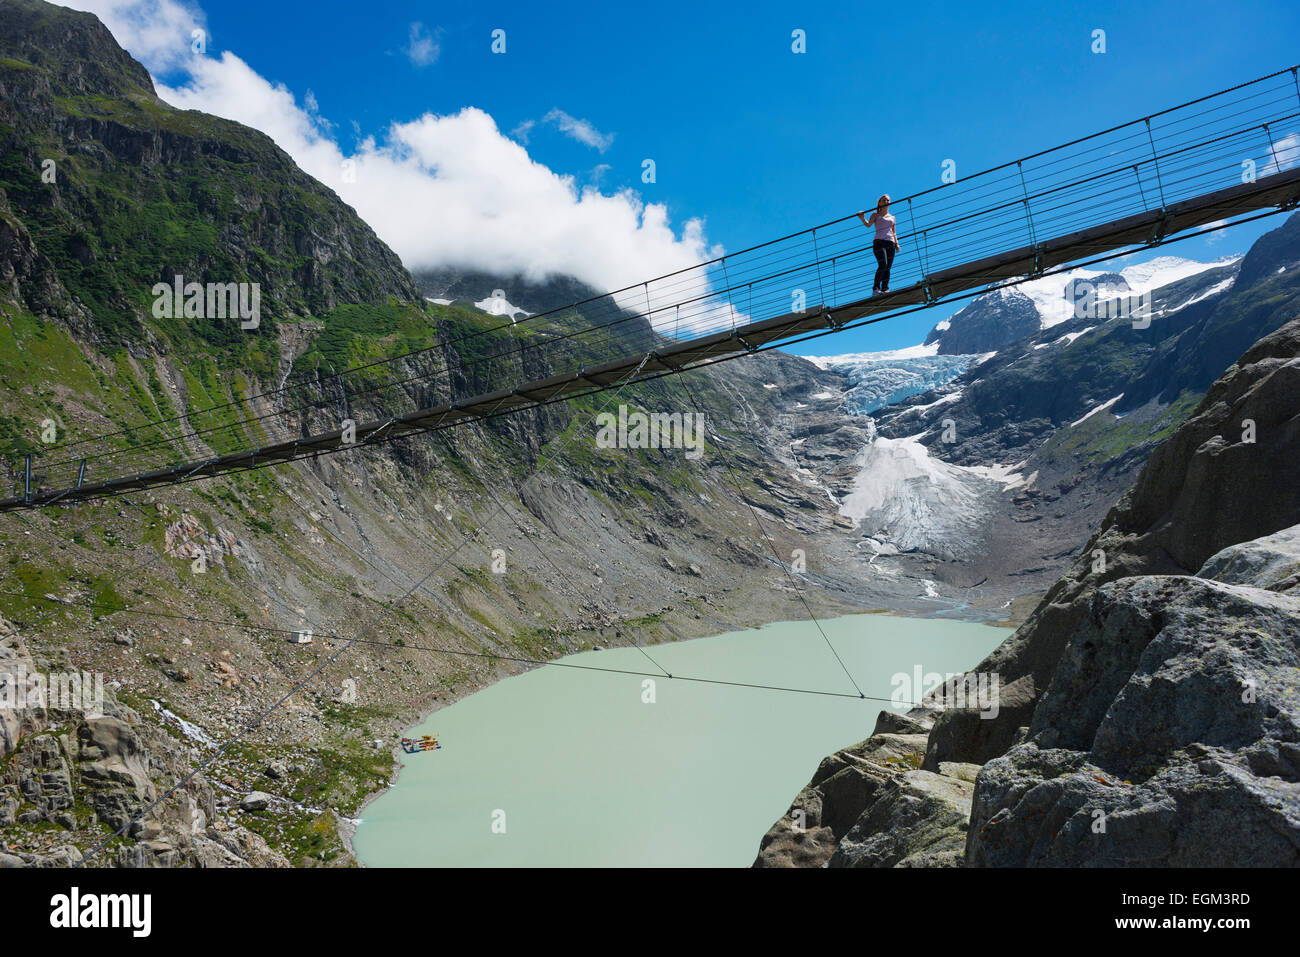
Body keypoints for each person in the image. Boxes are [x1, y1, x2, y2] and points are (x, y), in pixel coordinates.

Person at [858, 196, 901, 294]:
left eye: (887, 200)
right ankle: (876, 288)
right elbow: (868, 225)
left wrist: (897, 244)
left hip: (890, 242)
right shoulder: (875, 215)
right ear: (880, 203)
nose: (886, 201)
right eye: (883, 200)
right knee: (883, 264)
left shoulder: (893, 217)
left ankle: (885, 288)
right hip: (879, 242)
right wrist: (862, 218)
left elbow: (894, 232)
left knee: (888, 267)